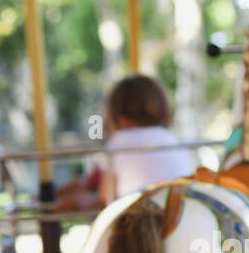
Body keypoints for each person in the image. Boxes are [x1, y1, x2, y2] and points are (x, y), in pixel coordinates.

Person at [54, 74, 198, 212]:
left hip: (145, 216)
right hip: (185, 209)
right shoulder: (170, 137)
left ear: (118, 113)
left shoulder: (120, 141)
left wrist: (76, 202)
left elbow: (104, 200)